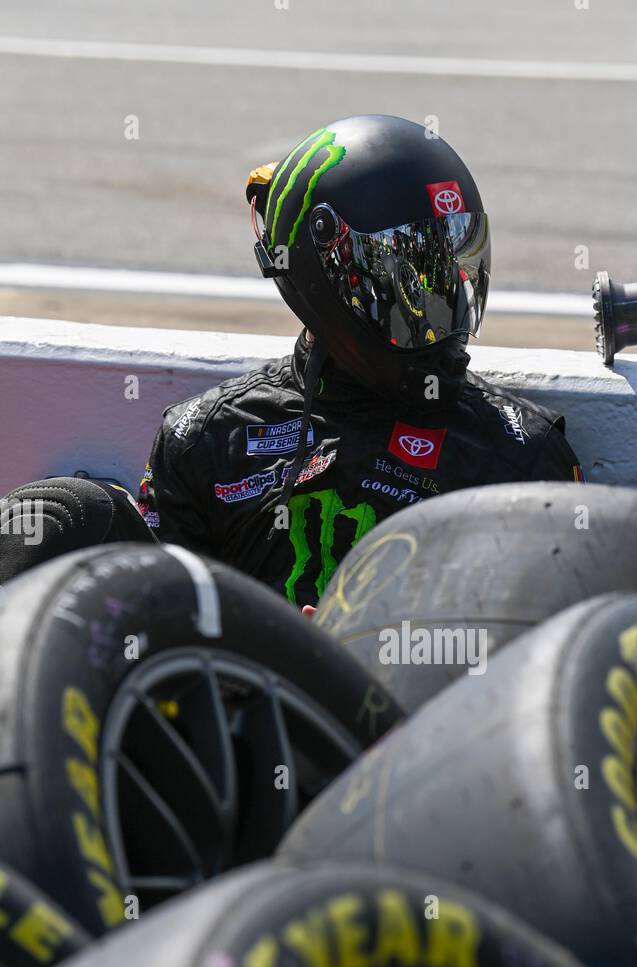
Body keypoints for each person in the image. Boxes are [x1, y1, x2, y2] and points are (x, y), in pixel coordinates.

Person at [137, 114, 584, 608]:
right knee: (72, 513)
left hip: (435, 685)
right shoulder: (206, 441)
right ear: (323, 272)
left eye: (449, 276)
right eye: (409, 283)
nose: (441, 309)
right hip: (258, 683)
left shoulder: (520, 453)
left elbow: (550, 658)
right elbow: (163, 637)